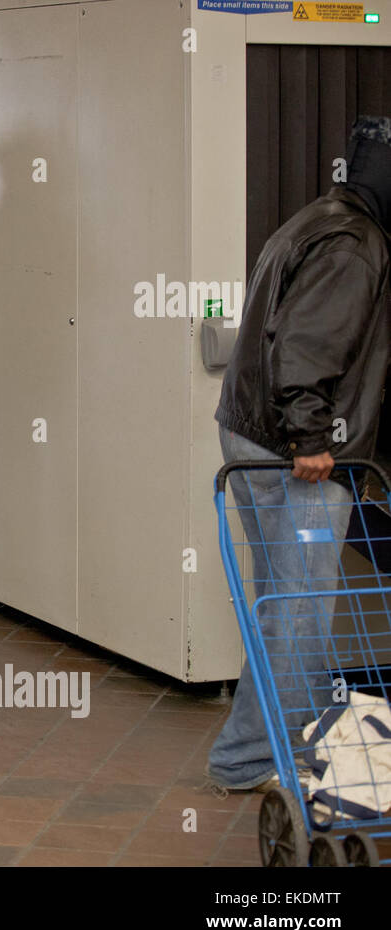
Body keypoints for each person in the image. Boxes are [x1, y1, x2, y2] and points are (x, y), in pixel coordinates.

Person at [208, 115, 391, 793]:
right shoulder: (356, 244)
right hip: (296, 451)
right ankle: (270, 760)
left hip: (253, 435)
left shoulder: (322, 217)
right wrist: (313, 440)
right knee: (303, 610)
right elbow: (306, 351)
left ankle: (271, 751)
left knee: (286, 602)